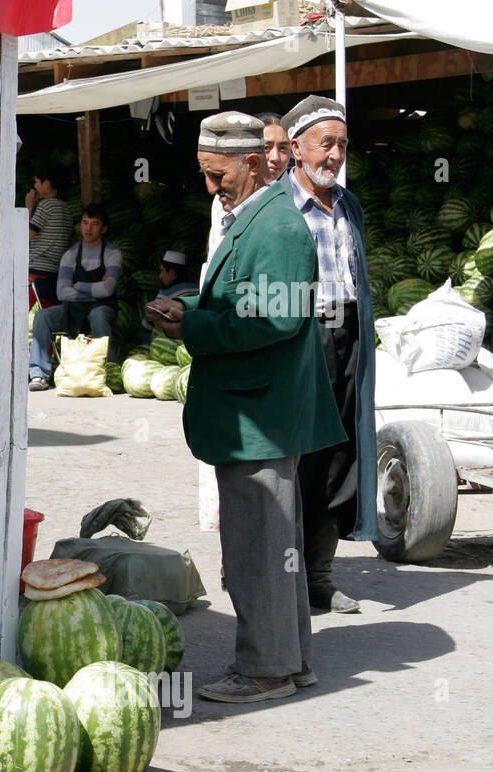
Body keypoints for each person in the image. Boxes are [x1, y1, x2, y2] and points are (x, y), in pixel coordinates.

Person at [145, 111, 345, 703]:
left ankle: (264, 669)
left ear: (252, 164)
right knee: (273, 546)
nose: (209, 187)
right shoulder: (254, 217)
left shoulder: (276, 227)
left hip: (259, 414)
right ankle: (291, 660)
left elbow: (276, 317)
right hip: (255, 409)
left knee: (258, 549)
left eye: (217, 175)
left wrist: (195, 324)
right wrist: (193, 310)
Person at [280, 94, 378, 613]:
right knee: (299, 458)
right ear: (297, 148)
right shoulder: (275, 208)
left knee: (340, 455)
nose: (335, 154)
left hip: (347, 336)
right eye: (326, 143)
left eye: (342, 144)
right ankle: (284, 574)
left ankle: (319, 574)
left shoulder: (347, 204)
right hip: (303, 337)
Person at [28, 203, 122, 389]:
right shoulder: (69, 255)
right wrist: (95, 289)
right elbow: (62, 292)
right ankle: (39, 374)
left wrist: (78, 286)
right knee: (42, 316)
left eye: (94, 223)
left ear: (103, 229)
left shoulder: (113, 254)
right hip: (73, 310)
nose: (88, 228)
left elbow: (108, 289)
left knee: (98, 315)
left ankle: (110, 371)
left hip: (103, 308)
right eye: (85, 222)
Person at [201, 113, 290, 282]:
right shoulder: (225, 198)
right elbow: (216, 251)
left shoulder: (296, 197)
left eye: (283, 148)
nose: (275, 157)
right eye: (266, 148)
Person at [24, 165, 74, 309]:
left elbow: (26, 235)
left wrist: (29, 206)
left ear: (46, 183)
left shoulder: (46, 207)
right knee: (48, 312)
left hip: (38, 269)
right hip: (55, 272)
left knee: (17, 310)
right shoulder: (66, 209)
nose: (35, 186)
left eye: (36, 182)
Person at [139, 250, 198, 343]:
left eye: (162, 271)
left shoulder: (166, 294)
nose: (160, 276)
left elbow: (147, 325)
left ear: (172, 273)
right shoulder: (196, 287)